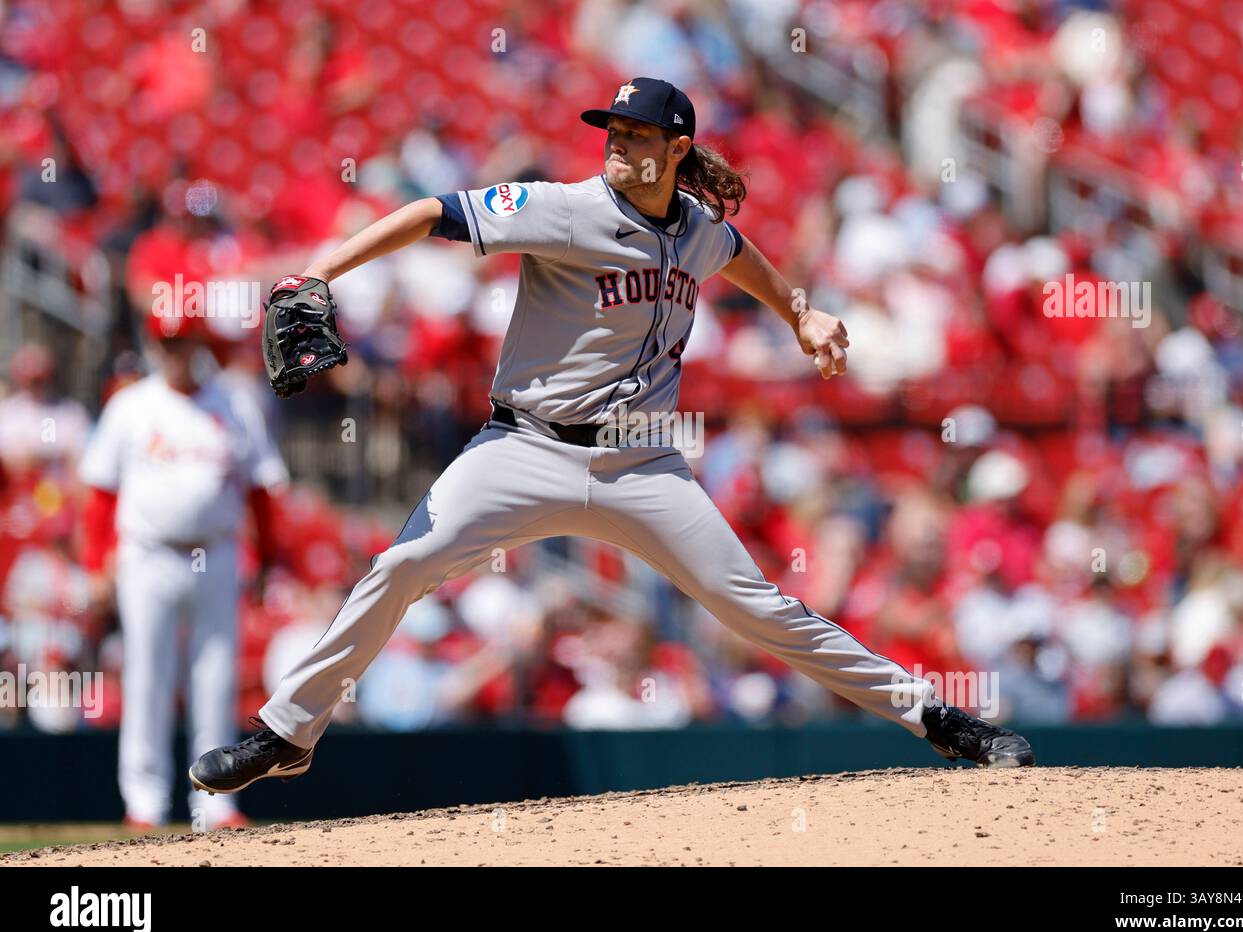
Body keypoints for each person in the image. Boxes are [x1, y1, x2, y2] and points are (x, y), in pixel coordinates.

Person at [190, 77, 1033, 799]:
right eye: (612, 133)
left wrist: (802, 313)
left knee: (762, 609)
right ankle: (288, 733)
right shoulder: (563, 210)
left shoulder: (697, 227)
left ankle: (941, 721)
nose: (616, 146)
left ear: (674, 149)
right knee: (403, 563)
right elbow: (429, 214)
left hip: (642, 463)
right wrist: (318, 274)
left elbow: (741, 256)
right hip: (523, 448)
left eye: (635, 136)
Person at [80, 311, 287, 830]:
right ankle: (143, 802)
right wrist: (94, 560)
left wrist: (267, 558)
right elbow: (101, 493)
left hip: (217, 554)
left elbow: (262, 488)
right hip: (147, 554)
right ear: (153, 343)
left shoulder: (234, 403)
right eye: (166, 342)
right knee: (148, 676)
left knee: (216, 678)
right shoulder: (131, 405)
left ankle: (214, 802)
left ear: (198, 343)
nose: (174, 351)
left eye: (183, 341)